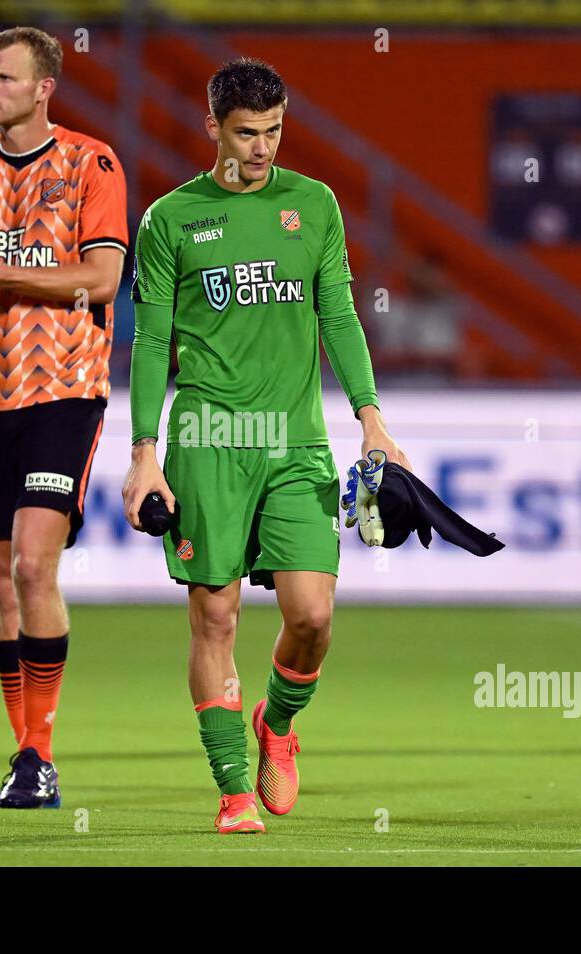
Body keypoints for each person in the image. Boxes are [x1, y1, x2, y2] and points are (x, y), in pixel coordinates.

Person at [123, 58, 409, 832]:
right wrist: (144, 450)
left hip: (294, 442)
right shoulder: (169, 220)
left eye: (274, 131)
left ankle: (277, 725)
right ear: (211, 125)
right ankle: (230, 791)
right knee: (214, 618)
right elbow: (151, 345)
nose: (262, 148)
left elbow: (340, 316)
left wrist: (371, 417)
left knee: (312, 616)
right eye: (247, 133)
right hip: (209, 439)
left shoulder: (313, 205)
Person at [0, 26, 127, 808]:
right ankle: (25, 757)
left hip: (61, 388)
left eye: (3, 76)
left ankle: (40, 756)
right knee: (6, 586)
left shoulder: (90, 161)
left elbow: (101, 279)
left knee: (37, 565)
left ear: (44, 88)